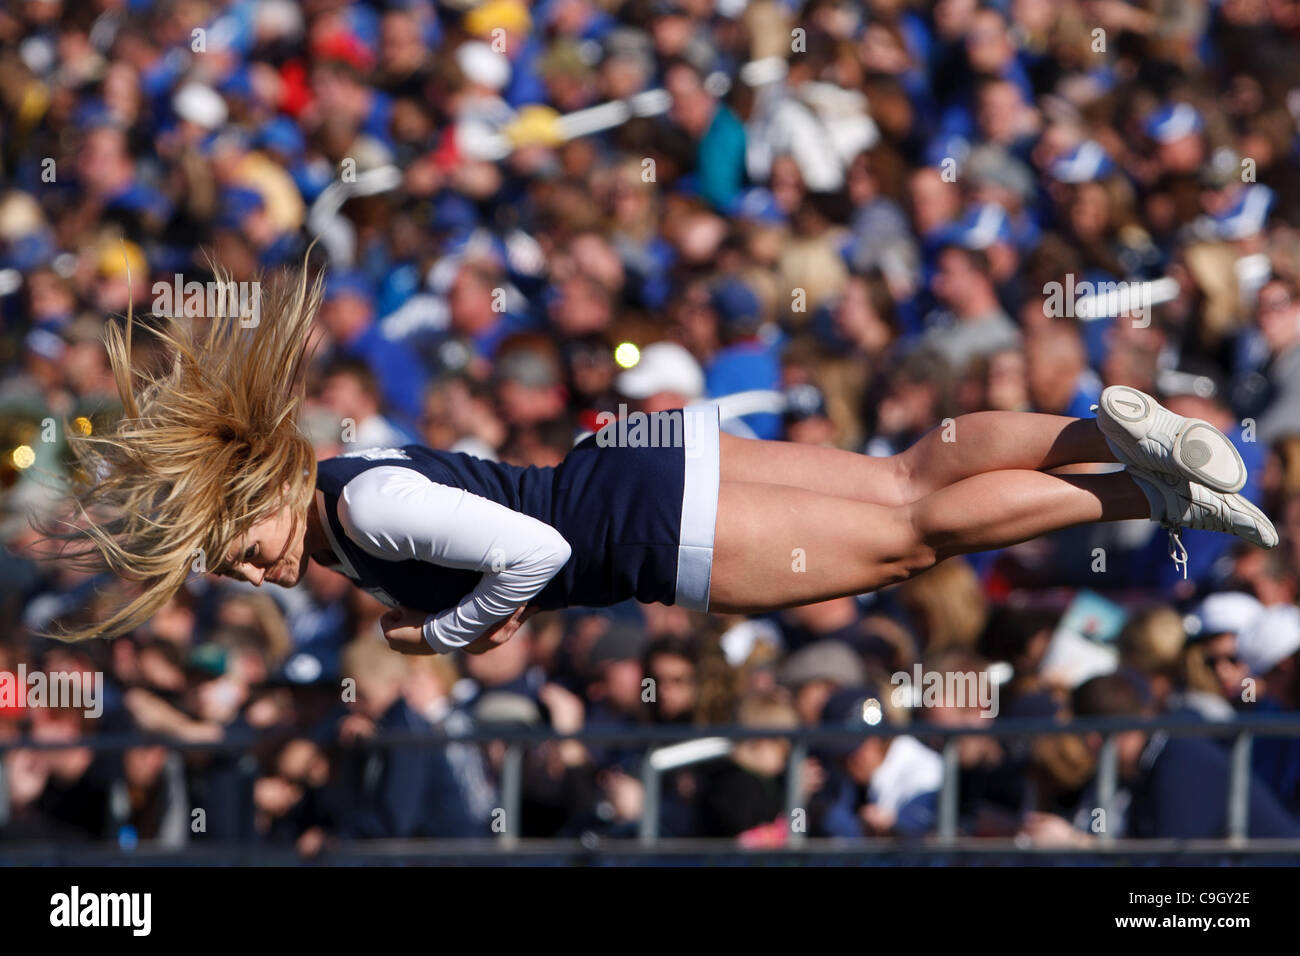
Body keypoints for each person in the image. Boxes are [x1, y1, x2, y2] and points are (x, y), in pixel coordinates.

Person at [45, 267, 1276, 658]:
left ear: (265, 495)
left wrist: (457, 631)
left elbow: (527, 552)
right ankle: (1118, 436)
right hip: (644, 464)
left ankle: (1142, 484)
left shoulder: (358, 511)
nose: (251, 575)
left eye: (237, 550)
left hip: (648, 529)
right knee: (908, 476)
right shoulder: (356, 487)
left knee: (916, 537)